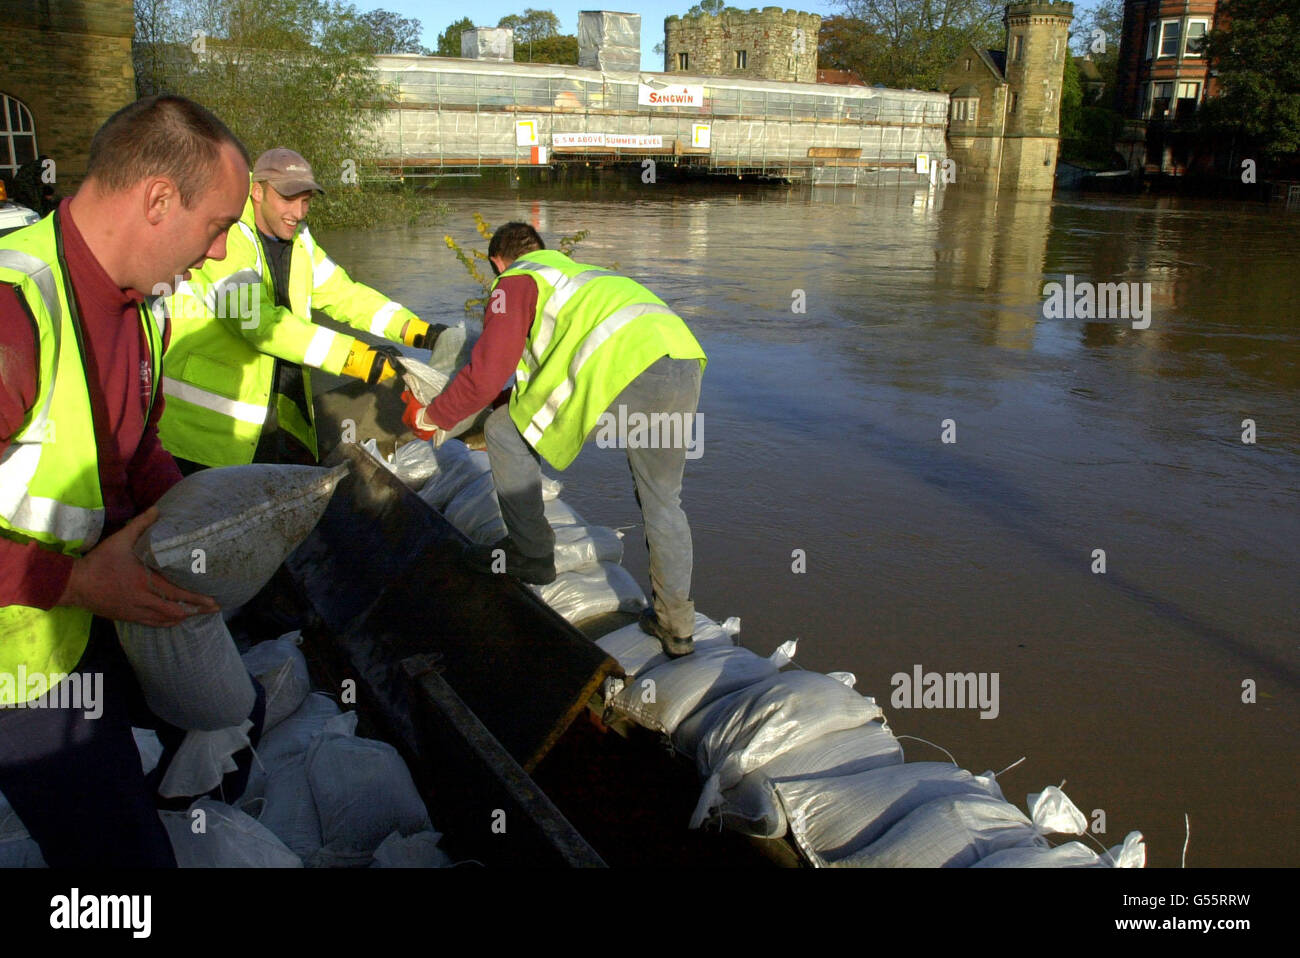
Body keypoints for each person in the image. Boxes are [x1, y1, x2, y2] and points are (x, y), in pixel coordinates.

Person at [0, 95, 254, 866]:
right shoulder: (15, 312)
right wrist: (78, 584)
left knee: (234, 717)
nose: (217, 254)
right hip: (19, 667)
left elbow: (134, 450)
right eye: (216, 225)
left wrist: (203, 526)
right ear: (156, 199)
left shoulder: (136, 306)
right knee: (126, 869)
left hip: (80, 618)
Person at [403, 223, 708, 656]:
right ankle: (676, 626)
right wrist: (512, 397)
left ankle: (533, 557)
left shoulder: (515, 281)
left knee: (502, 432)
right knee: (663, 499)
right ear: (541, 250)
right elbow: (553, 366)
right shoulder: (579, 278)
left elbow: (487, 374)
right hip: (681, 358)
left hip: (621, 366)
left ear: (497, 262)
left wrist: (433, 416)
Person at [158, 147, 446, 471]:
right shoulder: (225, 236)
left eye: (306, 200)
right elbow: (259, 324)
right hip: (203, 435)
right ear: (257, 191)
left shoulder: (300, 241)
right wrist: (356, 358)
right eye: (287, 198)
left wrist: (418, 331)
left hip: (271, 421)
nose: (298, 212)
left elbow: (345, 295)